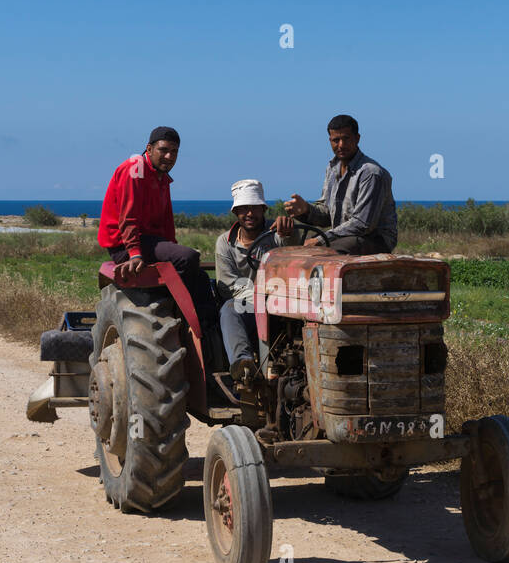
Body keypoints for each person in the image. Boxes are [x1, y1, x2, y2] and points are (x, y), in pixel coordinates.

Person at [97, 125, 218, 327]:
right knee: (189, 257)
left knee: (202, 278)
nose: (169, 157)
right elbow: (128, 217)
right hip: (125, 245)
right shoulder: (135, 168)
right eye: (164, 150)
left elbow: (166, 222)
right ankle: (182, 314)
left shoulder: (161, 177)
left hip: (149, 242)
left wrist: (173, 247)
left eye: (174, 152)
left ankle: (210, 331)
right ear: (149, 148)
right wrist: (135, 253)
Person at [278, 114, 398, 254]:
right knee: (298, 249)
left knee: (325, 251)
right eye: (336, 140)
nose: (341, 145)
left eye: (346, 139)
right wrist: (306, 210)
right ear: (330, 141)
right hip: (344, 238)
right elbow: (327, 214)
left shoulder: (371, 173)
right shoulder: (332, 168)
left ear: (357, 138)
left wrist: (321, 240)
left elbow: (363, 224)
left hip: (374, 240)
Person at [215, 179, 295, 383]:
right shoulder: (225, 243)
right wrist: (261, 297)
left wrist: (288, 234)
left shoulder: (276, 235)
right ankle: (244, 365)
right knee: (229, 309)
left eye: (255, 208)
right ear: (236, 212)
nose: (250, 214)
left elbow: (291, 257)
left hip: (281, 307)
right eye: (244, 209)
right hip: (248, 307)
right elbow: (228, 286)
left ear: (263, 209)